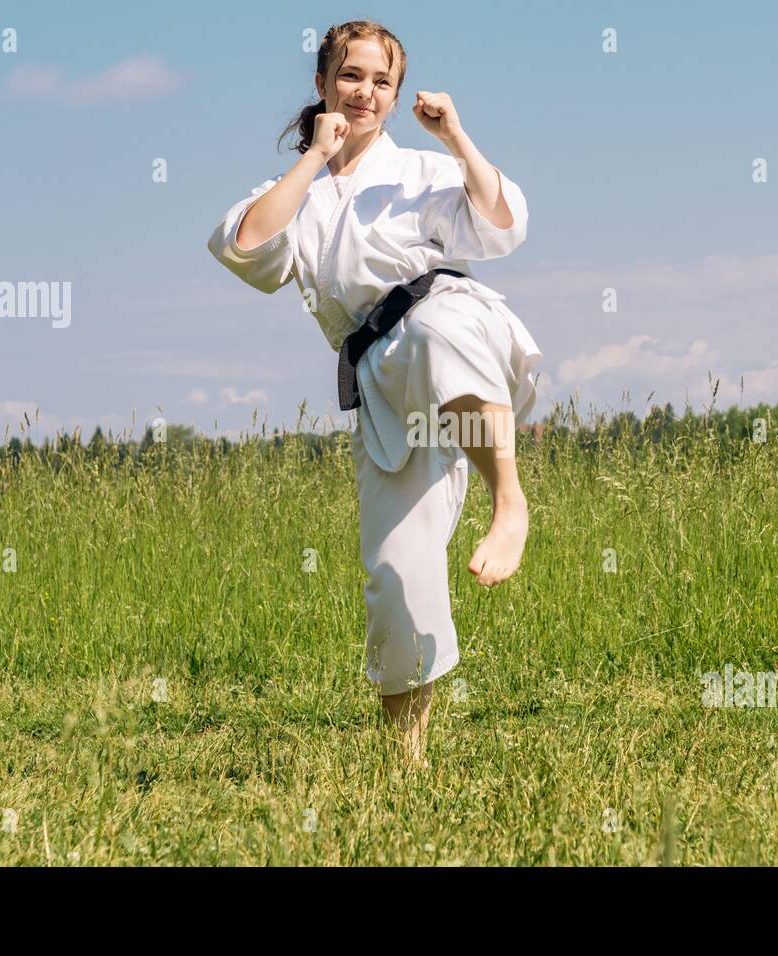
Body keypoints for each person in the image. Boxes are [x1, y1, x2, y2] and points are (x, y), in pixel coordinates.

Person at [207, 20, 541, 766]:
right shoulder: (295, 192)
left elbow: (502, 222)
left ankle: (509, 501)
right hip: (380, 382)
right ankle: (407, 757)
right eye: (350, 77)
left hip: (445, 320)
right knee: (394, 571)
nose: (364, 92)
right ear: (324, 85)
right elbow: (245, 246)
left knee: (436, 336)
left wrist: (455, 135)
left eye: (380, 81)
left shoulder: (419, 171)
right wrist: (317, 159)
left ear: (395, 96)